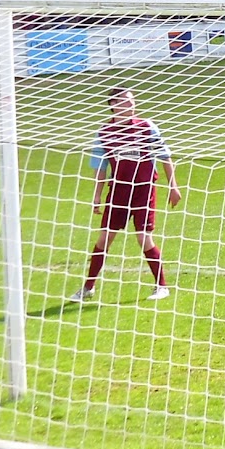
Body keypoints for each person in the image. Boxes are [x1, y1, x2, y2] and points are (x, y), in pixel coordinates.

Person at [71, 88, 178, 303]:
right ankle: (88, 288)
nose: (131, 105)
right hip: (118, 191)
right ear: (113, 104)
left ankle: (162, 287)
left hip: (143, 189)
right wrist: (97, 195)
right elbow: (100, 167)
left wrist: (173, 186)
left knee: (143, 238)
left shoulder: (147, 127)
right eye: (126, 102)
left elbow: (165, 156)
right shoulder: (104, 132)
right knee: (104, 238)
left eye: (132, 102)